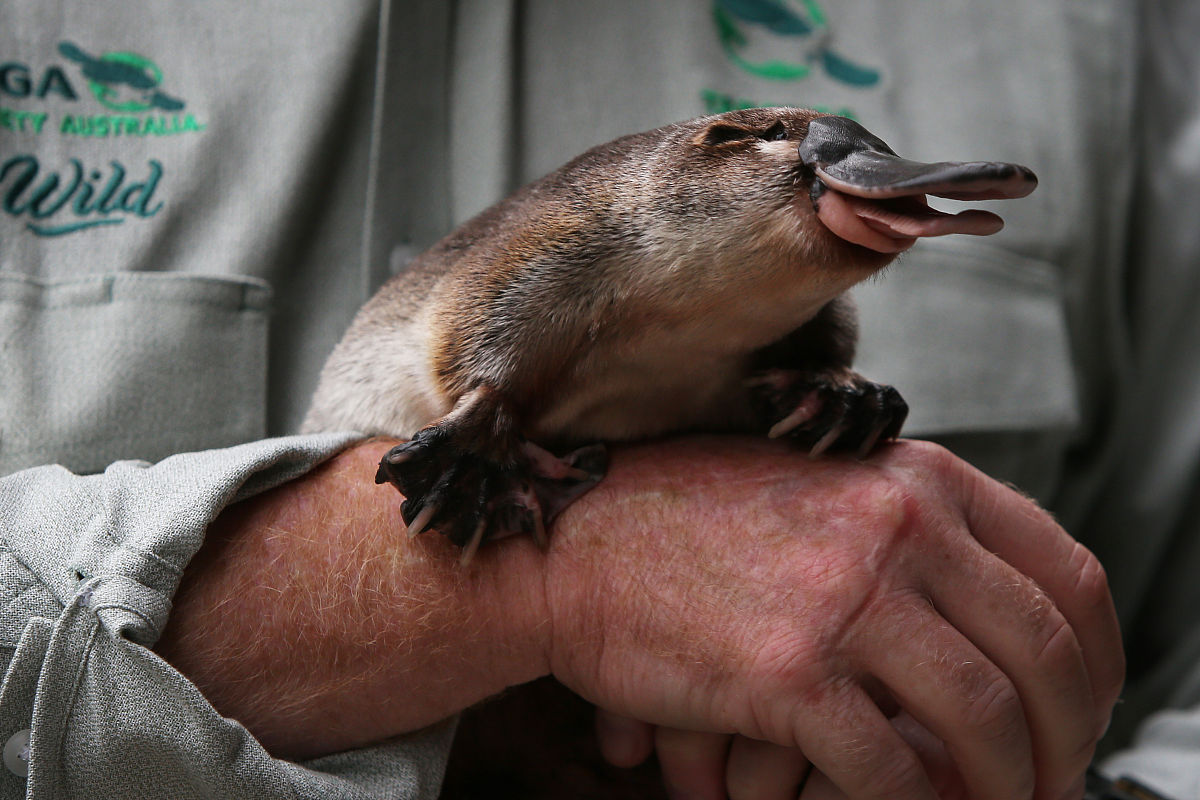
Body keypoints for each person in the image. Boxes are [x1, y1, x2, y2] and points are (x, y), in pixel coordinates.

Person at [0, 2, 1192, 799]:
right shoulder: (608, 230)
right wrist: (552, 583)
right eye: (809, 155)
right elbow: (487, 316)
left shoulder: (1100, 32)